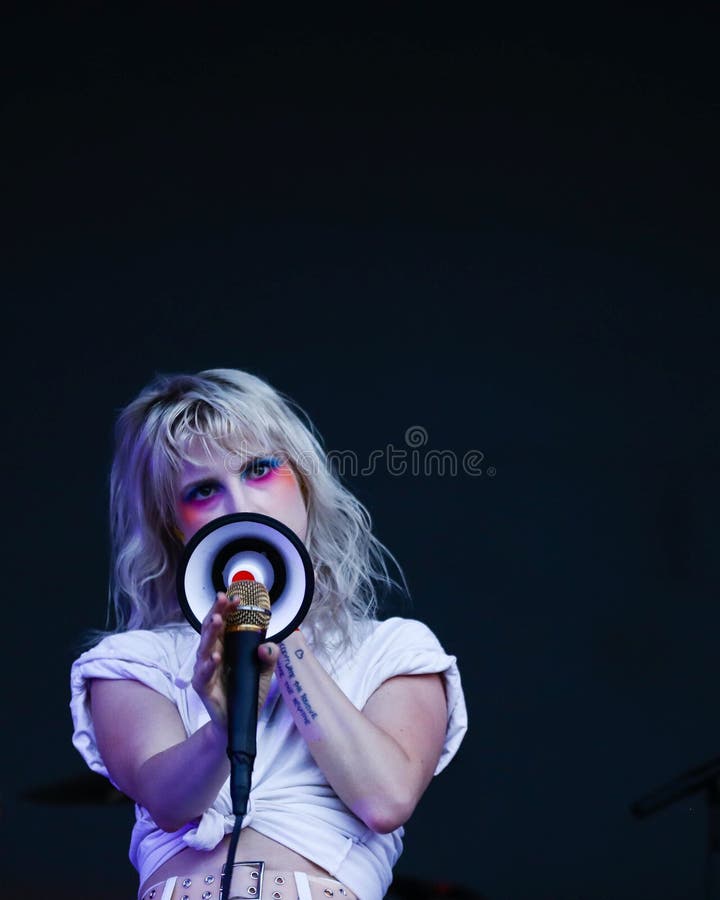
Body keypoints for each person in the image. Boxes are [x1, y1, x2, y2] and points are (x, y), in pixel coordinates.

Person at [70, 368, 468, 900]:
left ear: (303, 481)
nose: (240, 506)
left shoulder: (394, 652)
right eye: (204, 489)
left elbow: (384, 799)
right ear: (174, 525)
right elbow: (167, 803)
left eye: (259, 470)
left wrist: (283, 629)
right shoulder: (132, 662)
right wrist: (222, 726)